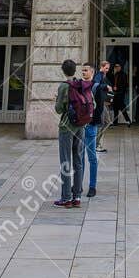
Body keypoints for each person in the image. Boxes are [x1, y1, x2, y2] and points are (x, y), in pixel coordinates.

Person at [54, 59, 91, 208]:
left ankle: (66, 198)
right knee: (78, 161)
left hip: (66, 127)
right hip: (80, 126)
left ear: (63, 71)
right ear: (75, 70)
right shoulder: (81, 84)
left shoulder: (63, 86)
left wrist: (57, 100)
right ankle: (77, 196)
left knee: (65, 161)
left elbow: (59, 109)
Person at [80, 63, 109, 197]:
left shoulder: (97, 87)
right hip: (79, 127)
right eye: (82, 71)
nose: (83, 73)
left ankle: (92, 186)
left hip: (90, 126)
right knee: (79, 158)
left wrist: (93, 121)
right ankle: (78, 185)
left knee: (91, 158)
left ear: (92, 72)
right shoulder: (78, 86)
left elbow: (100, 108)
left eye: (86, 70)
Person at [93, 60, 114, 152]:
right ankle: (95, 144)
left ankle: (96, 143)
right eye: (106, 68)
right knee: (102, 123)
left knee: (107, 121)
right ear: (101, 67)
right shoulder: (99, 75)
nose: (107, 70)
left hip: (103, 102)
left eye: (108, 68)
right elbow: (96, 85)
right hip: (99, 103)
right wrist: (106, 87)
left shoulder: (103, 75)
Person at [109, 61, 130, 125]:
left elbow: (125, 84)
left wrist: (118, 89)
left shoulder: (123, 74)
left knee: (122, 107)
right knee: (115, 107)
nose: (117, 68)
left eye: (118, 67)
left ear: (120, 67)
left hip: (120, 93)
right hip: (115, 93)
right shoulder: (115, 74)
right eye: (116, 67)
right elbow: (112, 81)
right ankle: (115, 122)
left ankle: (128, 120)